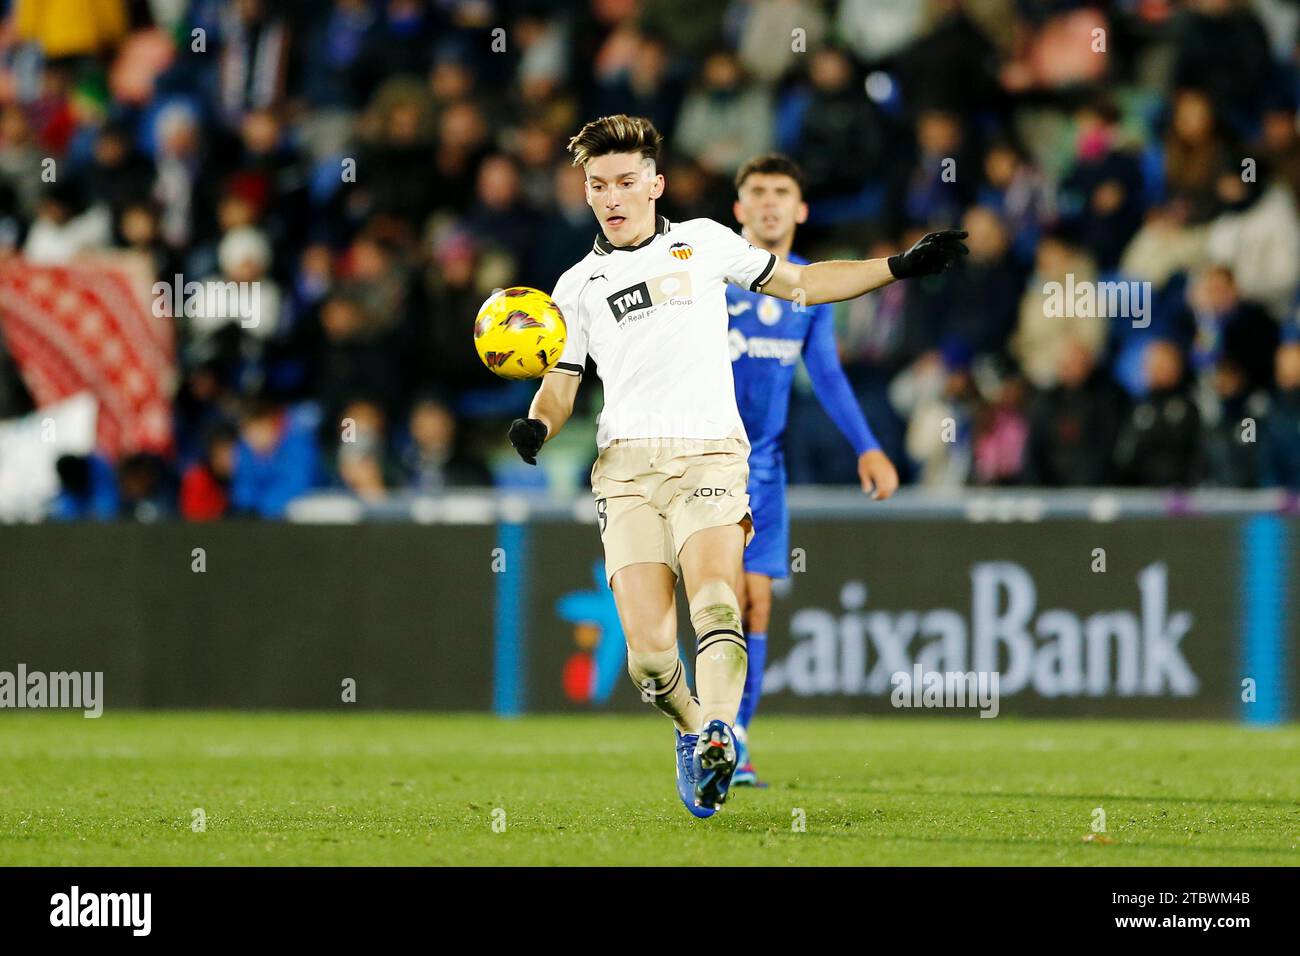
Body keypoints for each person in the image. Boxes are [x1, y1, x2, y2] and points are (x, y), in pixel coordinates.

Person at [506, 115, 965, 817]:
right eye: (598, 185)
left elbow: (806, 283)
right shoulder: (575, 287)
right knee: (652, 658)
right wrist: (539, 423)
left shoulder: (704, 245)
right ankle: (694, 729)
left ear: (656, 184)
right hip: (625, 471)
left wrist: (896, 266)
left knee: (719, 600)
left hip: (712, 456)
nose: (613, 196)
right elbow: (563, 382)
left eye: (627, 181)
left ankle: (723, 731)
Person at [723, 153, 898, 786]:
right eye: (757, 192)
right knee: (726, 600)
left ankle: (734, 740)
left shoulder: (811, 287)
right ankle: (708, 732)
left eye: (781, 192)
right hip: (705, 464)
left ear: (799, 209)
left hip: (764, 472)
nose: (769, 203)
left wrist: (867, 446)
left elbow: (825, 372)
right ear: (739, 209)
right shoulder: (710, 281)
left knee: (758, 606)